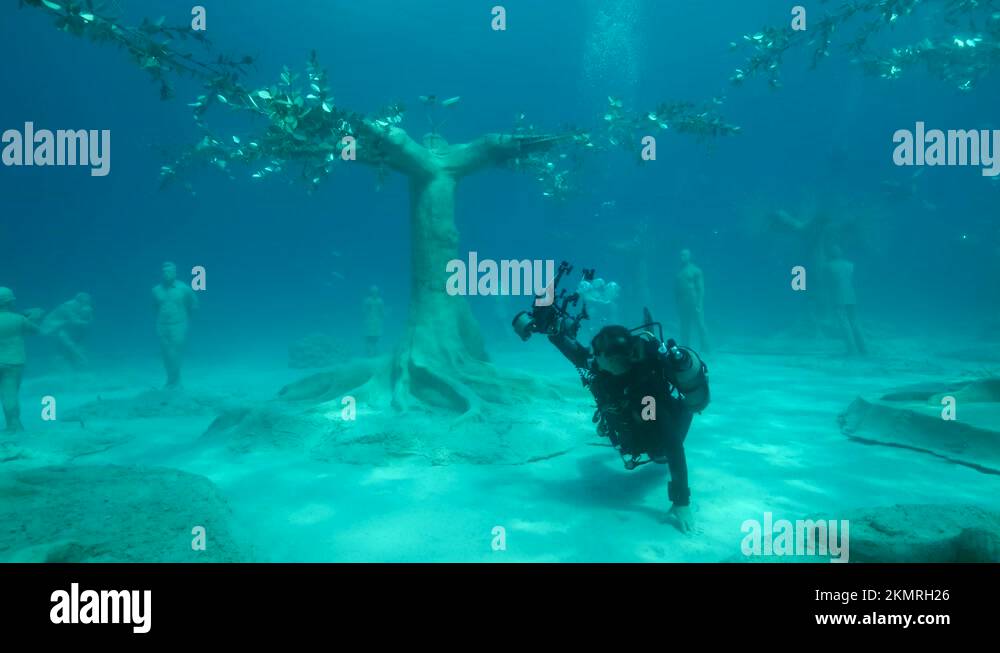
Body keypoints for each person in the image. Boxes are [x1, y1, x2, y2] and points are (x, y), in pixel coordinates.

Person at [544, 317, 709, 534]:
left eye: (596, 353)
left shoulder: (646, 397)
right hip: (630, 424)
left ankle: (685, 409)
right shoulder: (602, 367)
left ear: (612, 360)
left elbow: (673, 445)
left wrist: (681, 501)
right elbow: (578, 355)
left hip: (657, 429)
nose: (591, 356)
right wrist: (553, 333)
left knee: (660, 453)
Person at [0, 287, 44, 433]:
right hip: (13, 362)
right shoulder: (19, 319)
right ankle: (14, 425)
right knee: (9, 393)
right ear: (10, 302)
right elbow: (36, 330)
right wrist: (32, 317)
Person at [153, 262, 198, 389]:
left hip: (179, 324)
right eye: (165, 272)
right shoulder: (156, 290)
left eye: (170, 272)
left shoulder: (184, 288)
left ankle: (176, 380)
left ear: (175, 273)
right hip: (162, 325)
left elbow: (193, 304)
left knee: (175, 352)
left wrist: (184, 319)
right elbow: (155, 307)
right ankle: (170, 379)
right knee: (165, 353)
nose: (167, 274)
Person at [824, 244, 867, 355]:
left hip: (838, 297)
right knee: (855, 321)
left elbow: (828, 283)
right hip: (851, 296)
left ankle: (852, 350)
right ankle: (863, 348)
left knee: (844, 323)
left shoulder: (828, 266)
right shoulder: (850, 265)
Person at [41, 292, 94, 368]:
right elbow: (74, 321)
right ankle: (79, 360)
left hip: (65, 326)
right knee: (67, 342)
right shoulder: (68, 306)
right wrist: (87, 321)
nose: (88, 304)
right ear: (80, 301)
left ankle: (74, 362)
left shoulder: (82, 307)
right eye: (86, 302)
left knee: (71, 344)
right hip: (53, 327)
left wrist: (89, 316)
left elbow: (82, 321)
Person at [675, 249, 710, 352]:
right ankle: (685, 348)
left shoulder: (696, 270)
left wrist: (699, 303)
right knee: (684, 326)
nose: (682, 257)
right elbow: (676, 290)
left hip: (694, 303)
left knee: (700, 325)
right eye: (681, 255)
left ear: (689, 256)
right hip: (683, 304)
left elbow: (701, 288)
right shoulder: (679, 273)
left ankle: (706, 348)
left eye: (685, 255)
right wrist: (677, 304)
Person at [363, 285, 385, 356]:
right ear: (371, 292)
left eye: (376, 292)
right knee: (369, 337)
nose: (374, 293)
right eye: (373, 292)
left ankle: (376, 353)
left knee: (376, 337)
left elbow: (381, 312)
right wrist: (366, 320)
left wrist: (381, 317)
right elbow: (365, 311)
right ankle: (368, 353)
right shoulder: (367, 300)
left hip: (377, 321)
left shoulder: (380, 301)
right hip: (369, 321)